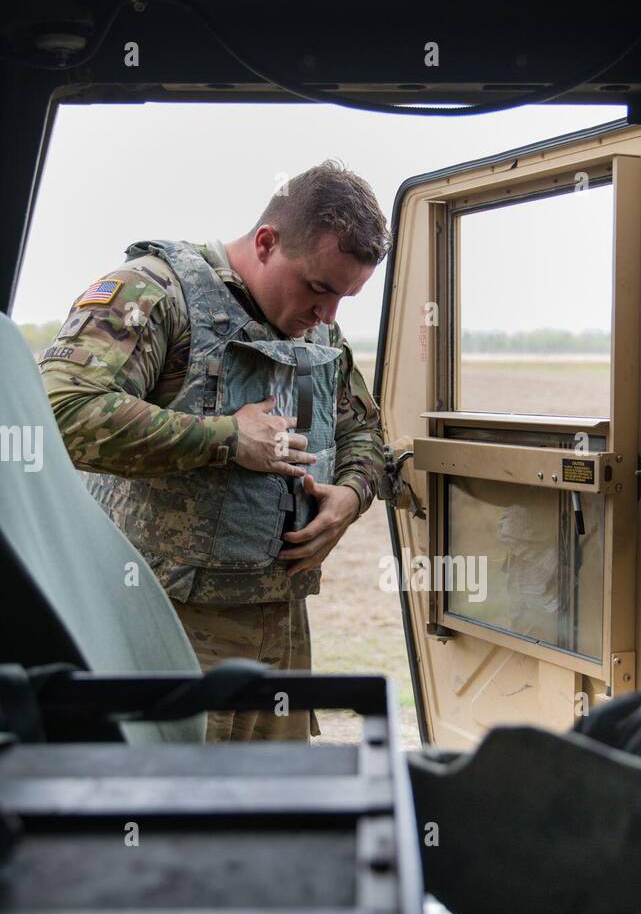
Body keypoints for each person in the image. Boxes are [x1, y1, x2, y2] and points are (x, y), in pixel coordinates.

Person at [39, 161, 389, 741]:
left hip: (280, 629)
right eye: (320, 288)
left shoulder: (319, 327)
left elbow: (365, 432)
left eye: (345, 297)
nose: (328, 315)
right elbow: (63, 410)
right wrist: (226, 439)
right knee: (174, 816)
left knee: (277, 818)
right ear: (266, 242)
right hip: (165, 627)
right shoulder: (154, 292)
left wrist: (350, 495)